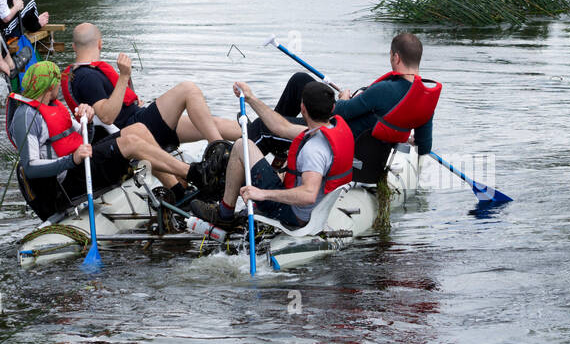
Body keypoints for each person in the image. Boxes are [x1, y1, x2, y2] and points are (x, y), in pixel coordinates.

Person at [7, 60, 210, 222]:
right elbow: (31, 166)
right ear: (49, 84)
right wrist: (72, 160)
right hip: (65, 184)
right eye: (56, 82)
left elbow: (84, 136)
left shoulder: (53, 106)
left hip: (79, 165)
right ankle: (193, 172)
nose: (58, 86)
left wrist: (87, 120)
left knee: (137, 129)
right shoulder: (26, 116)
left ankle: (178, 191)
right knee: (129, 143)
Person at [242, 32, 437, 188]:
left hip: (338, 138)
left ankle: (231, 169)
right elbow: (424, 146)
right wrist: (406, 137)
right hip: (361, 143)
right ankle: (281, 150)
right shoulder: (425, 100)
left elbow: (339, 112)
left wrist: (344, 98)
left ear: (396, 57)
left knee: (261, 128)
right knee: (300, 81)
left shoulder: (385, 89)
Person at [190, 80, 354, 230]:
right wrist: (250, 98)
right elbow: (280, 127)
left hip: (296, 215)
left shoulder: (314, 150)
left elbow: (308, 195)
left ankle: (224, 214)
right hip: (319, 208)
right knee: (282, 161)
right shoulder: (333, 130)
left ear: (302, 109)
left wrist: (262, 194)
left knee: (242, 145)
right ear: (332, 108)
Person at [60, 23, 241, 157]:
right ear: (100, 44)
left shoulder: (86, 73)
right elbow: (107, 116)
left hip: (141, 119)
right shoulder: (86, 76)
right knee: (188, 89)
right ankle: (221, 155)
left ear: (74, 46)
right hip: (136, 128)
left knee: (210, 123)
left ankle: (258, 135)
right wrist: (123, 76)